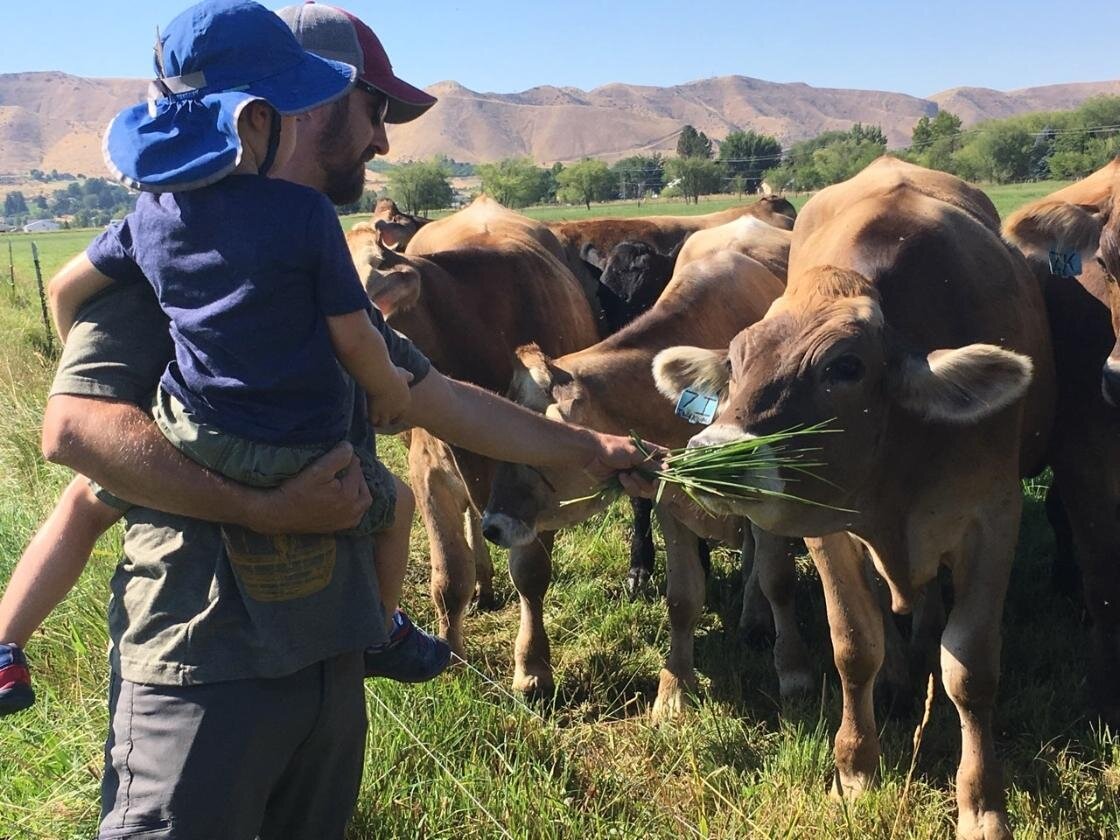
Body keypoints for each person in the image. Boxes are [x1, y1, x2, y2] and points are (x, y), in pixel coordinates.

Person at [1, 2, 654, 838]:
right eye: (373, 110)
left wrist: (591, 446)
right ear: (298, 110)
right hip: (205, 668)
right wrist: (260, 506)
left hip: (328, 657)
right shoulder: (160, 258)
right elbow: (71, 431)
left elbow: (433, 398)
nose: (384, 142)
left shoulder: (309, 258)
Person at [39, 0, 449, 685]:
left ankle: (8, 641)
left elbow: (63, 289)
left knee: (85, 504)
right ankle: (381, 627)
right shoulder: (305, 217)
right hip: (303, 451)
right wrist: (387, 392)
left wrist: (73, 348)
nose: (381, 142)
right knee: (397, 502)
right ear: (262, 119)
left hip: (196, 437)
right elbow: (354, 336)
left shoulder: (149, 219)